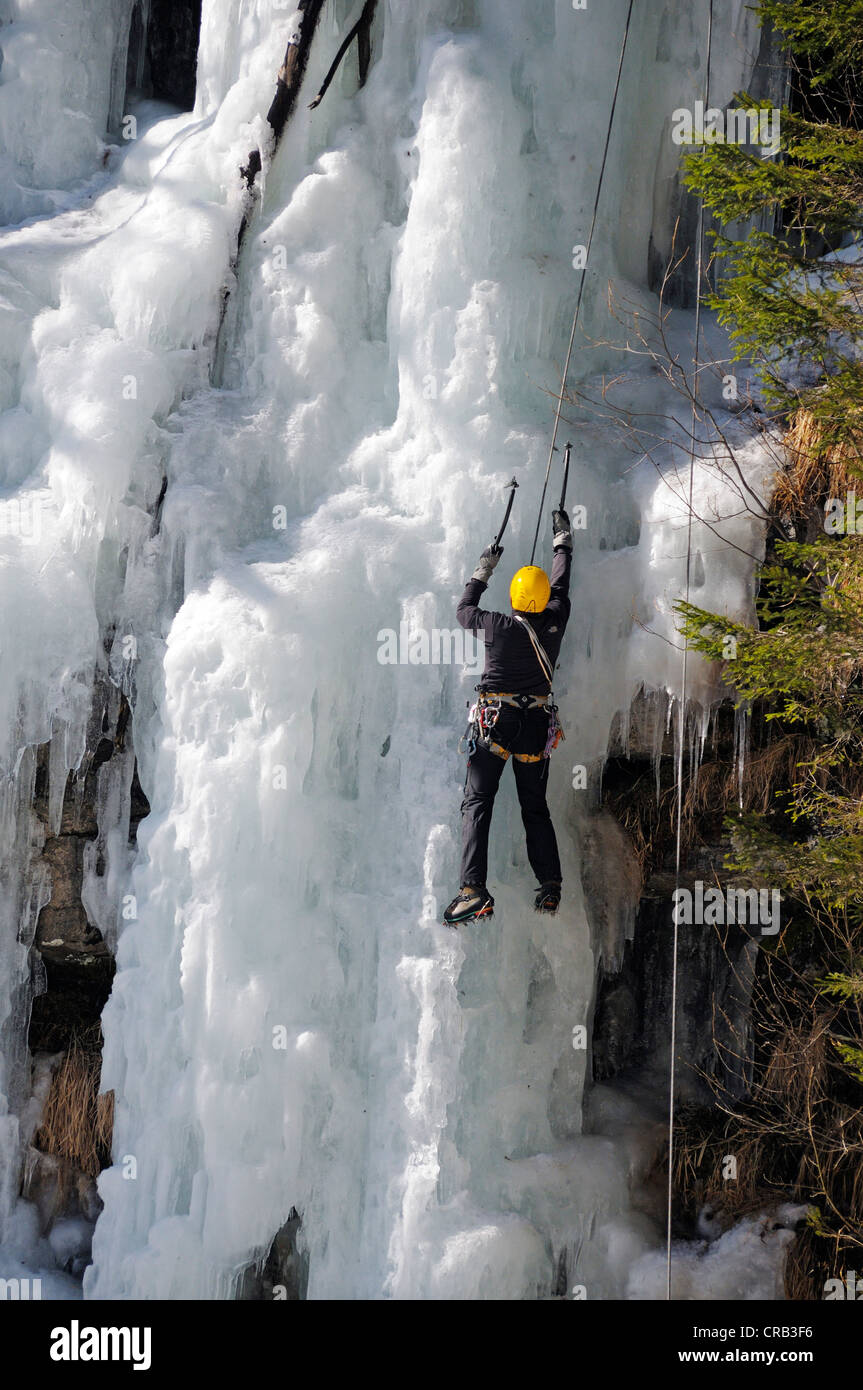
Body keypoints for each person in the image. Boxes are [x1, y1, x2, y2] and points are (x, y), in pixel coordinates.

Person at [443, 507, 573, 926]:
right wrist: (562, 542)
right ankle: (550, 885)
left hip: (496, 722)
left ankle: (473, 891)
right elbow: (560, 584)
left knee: (478, 801)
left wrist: (485, 566)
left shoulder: (496, 625)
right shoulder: (554, 622)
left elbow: (464, 609)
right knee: (535, 807)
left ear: (515, 599)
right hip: (535, 726)